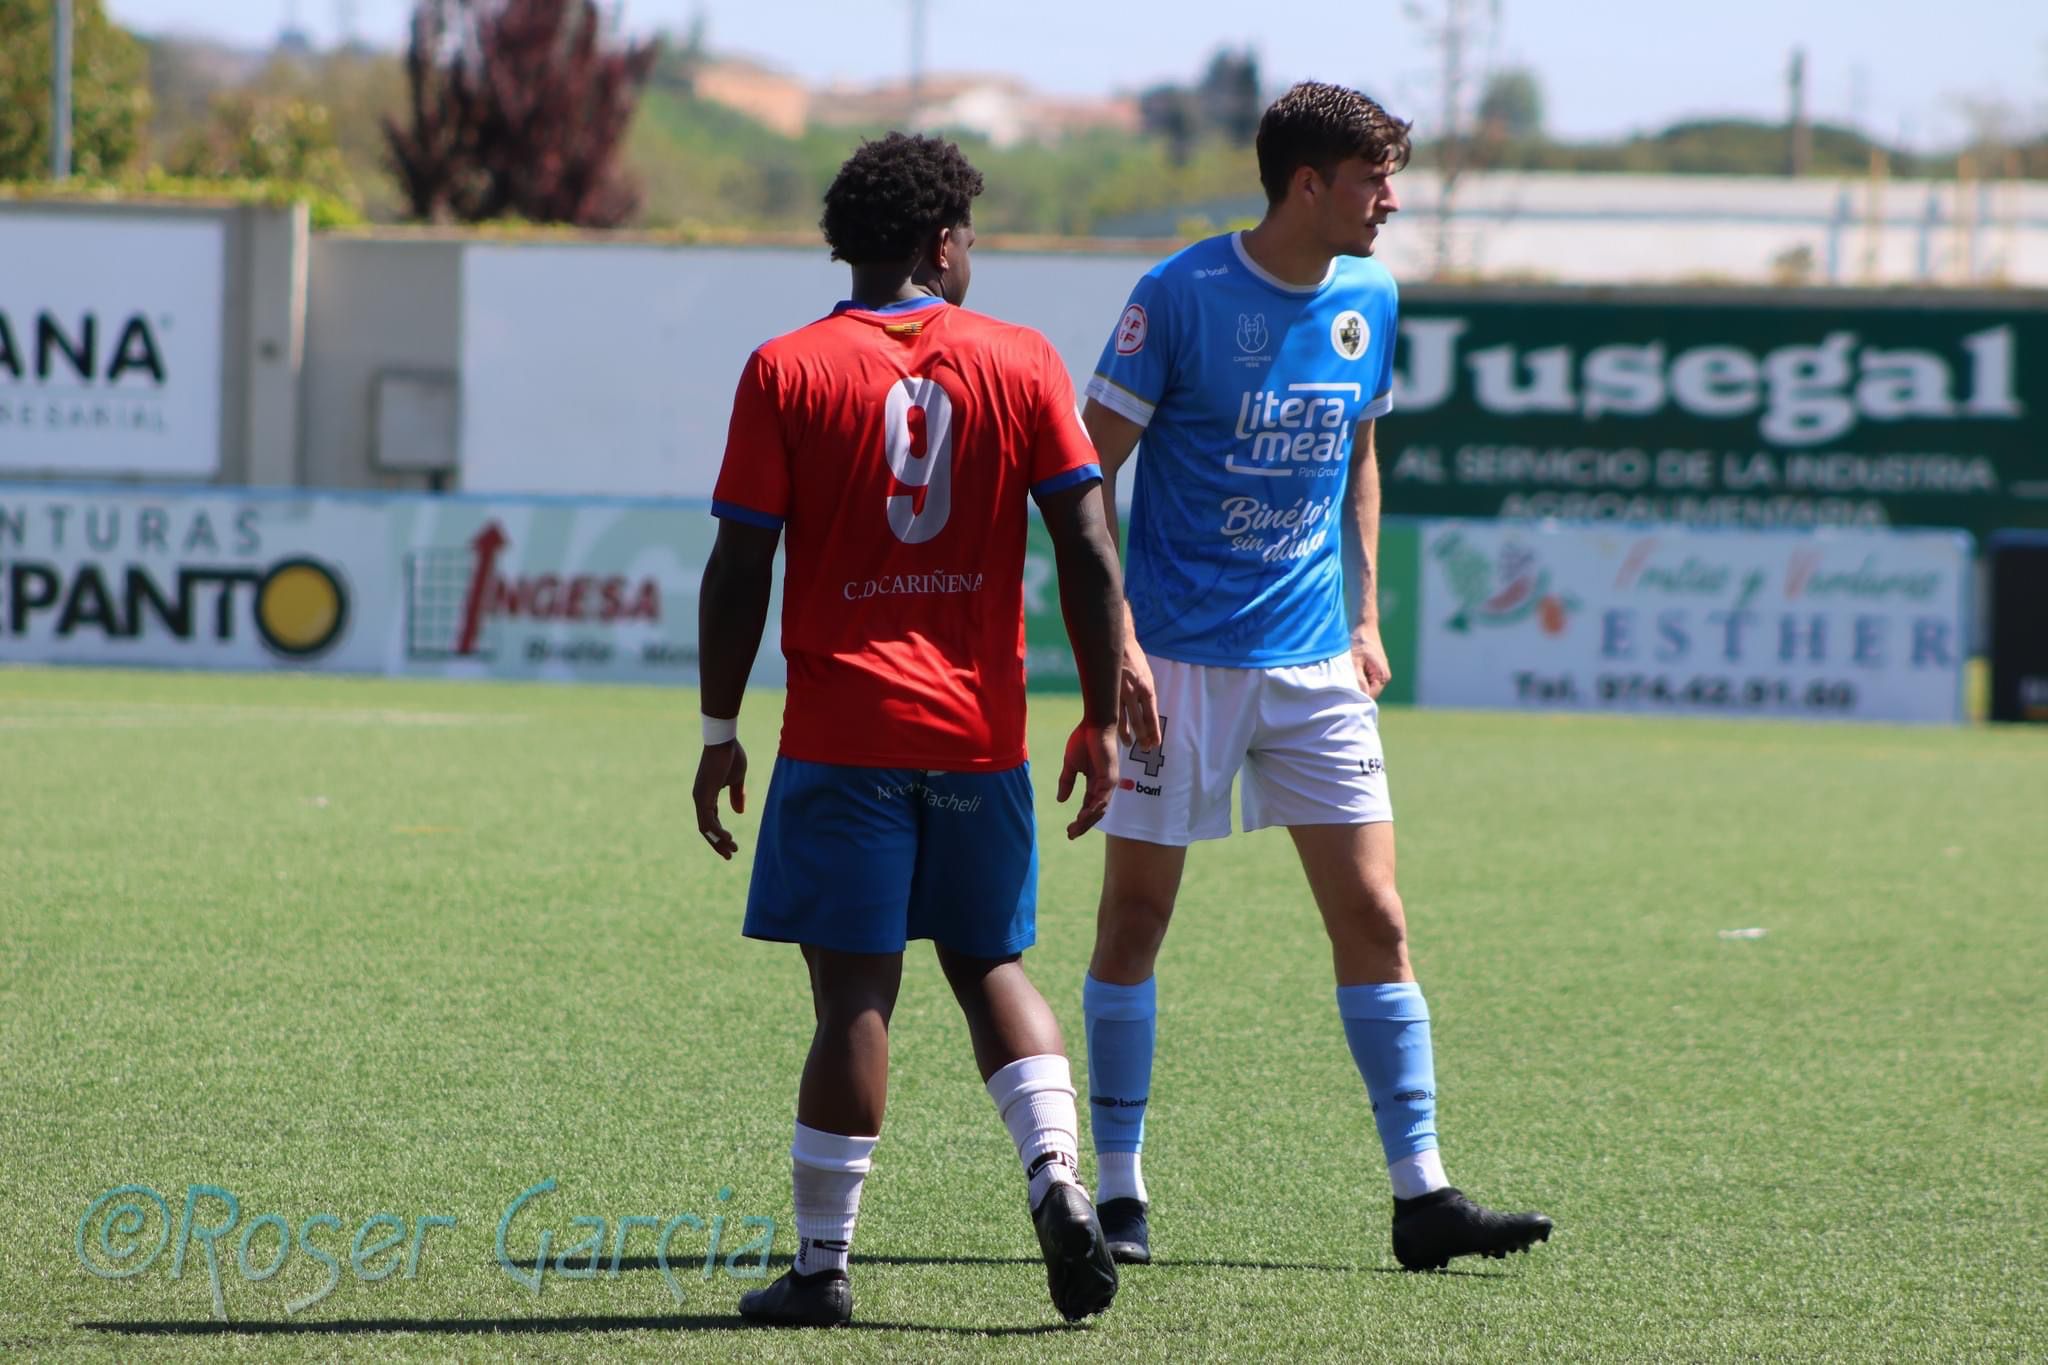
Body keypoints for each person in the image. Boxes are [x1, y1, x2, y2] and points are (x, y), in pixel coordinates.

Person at [1075, 82, 1554, 1272]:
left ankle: (1422, 1195)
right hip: (1175, 663)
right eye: (1372, 179)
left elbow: (1359, 455)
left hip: (1312, 663)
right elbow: (1083, 479)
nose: (1389, 202)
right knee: (1135, 920)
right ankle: (1120, 1193)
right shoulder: (1177, 294)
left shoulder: (1372, 294)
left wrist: (1366, 611)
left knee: (1377, 918)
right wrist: (1116, 642)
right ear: (1306, 184)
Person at [693, 131, 1126, 1327]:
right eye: (969, 235)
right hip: (977, 734)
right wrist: (1098, 709)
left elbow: (738, 567)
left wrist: (719, 725)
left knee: (852, 1003)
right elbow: (1086, 547)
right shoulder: (1021, 358)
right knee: (990, 965)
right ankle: (1057, 1183)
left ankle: (823, 1269)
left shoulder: (785, 368)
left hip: (842, 734)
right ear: (941, 242)